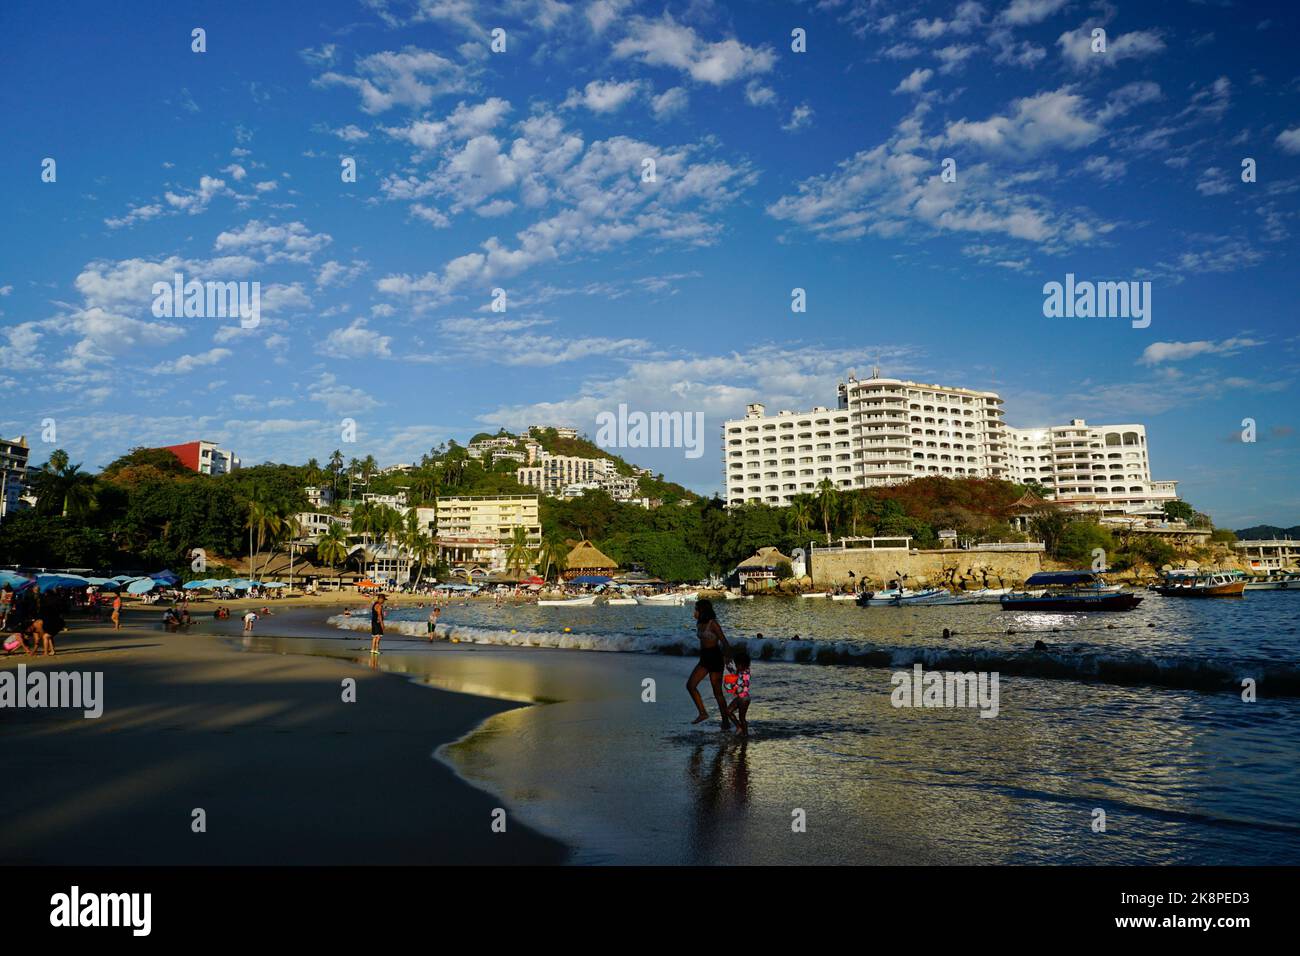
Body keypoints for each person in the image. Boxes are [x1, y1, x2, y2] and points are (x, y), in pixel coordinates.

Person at [687, 598, 733, 730]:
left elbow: (724, 642)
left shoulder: (713, 624)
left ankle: (725, 721)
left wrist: (727, 658)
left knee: (717, 692)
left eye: (696, 609)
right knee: (690, 685)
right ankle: (703, 713)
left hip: (715, 657)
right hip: (704, 658)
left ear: (702, 610)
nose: (694, 612)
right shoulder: (699, 623)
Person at [724, 643, 752, 736]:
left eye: (737, 664)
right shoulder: (739, 671)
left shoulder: (746, 673)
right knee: (728, 711)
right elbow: (733, 673)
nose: (736, 666)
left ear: (743, 664)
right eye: (736, 664)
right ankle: (739, 727)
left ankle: (745, 734)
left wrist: (731, 686)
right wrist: (728, 665)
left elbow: (742, 683)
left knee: (742, 717)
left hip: (744, 698)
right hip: (740, 697)